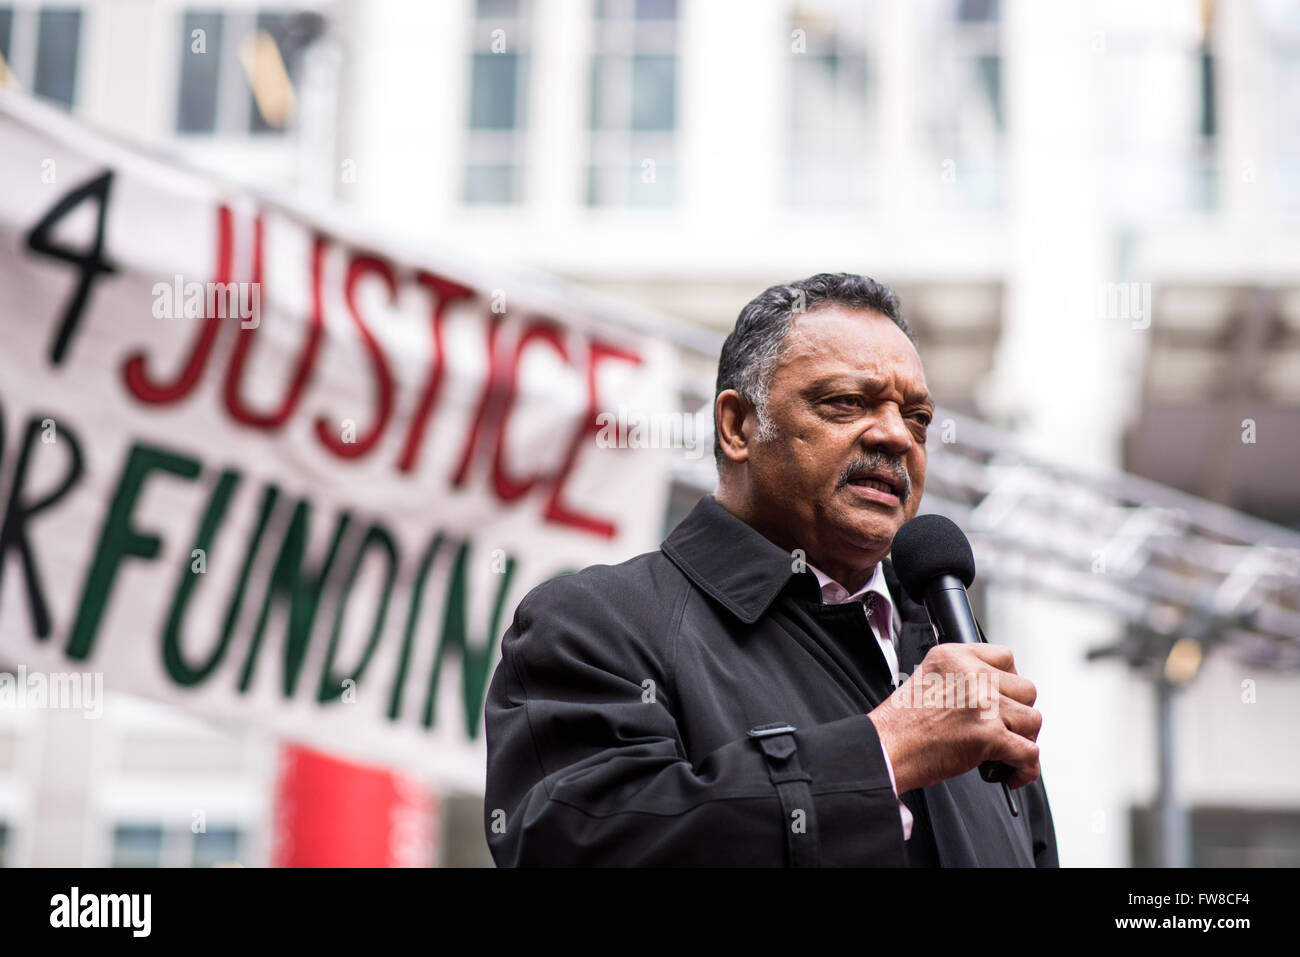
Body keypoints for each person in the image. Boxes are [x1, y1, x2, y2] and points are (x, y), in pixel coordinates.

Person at [483, 272, 1058, 866]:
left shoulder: (954, 654)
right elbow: (579, 846)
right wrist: (887, 749)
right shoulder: (598, 624)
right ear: (737, 426)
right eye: (846, 403)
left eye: (917, 418)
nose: (894, 436)